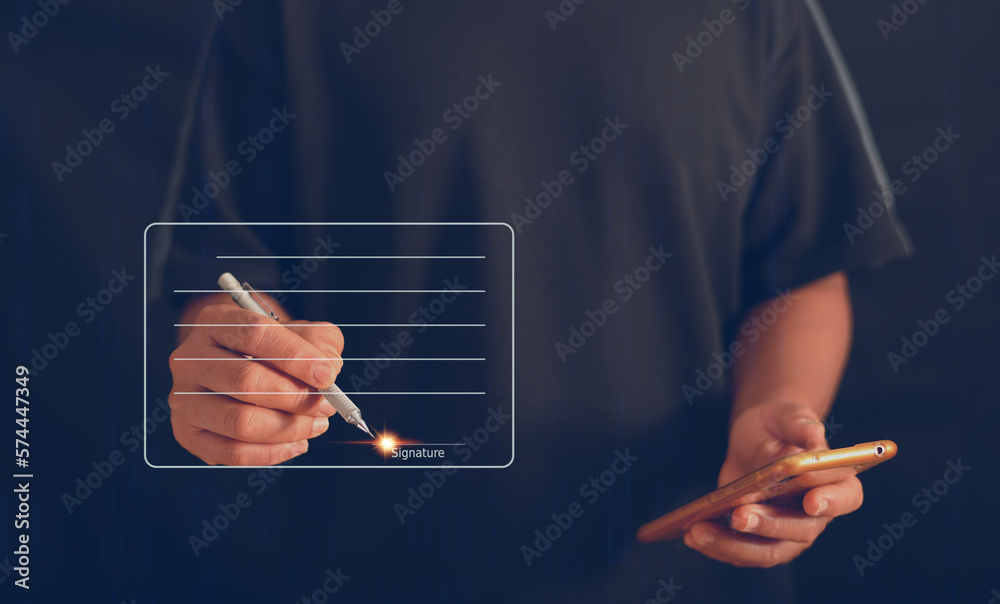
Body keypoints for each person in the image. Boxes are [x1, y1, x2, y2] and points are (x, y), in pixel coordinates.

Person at [150, 0, 912, 600]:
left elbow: (804, 268)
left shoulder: (757, 8)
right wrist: (236, 363)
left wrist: (774, 413)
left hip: (686, 572)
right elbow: (224, 278)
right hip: (370, 572)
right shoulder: (279, 11)